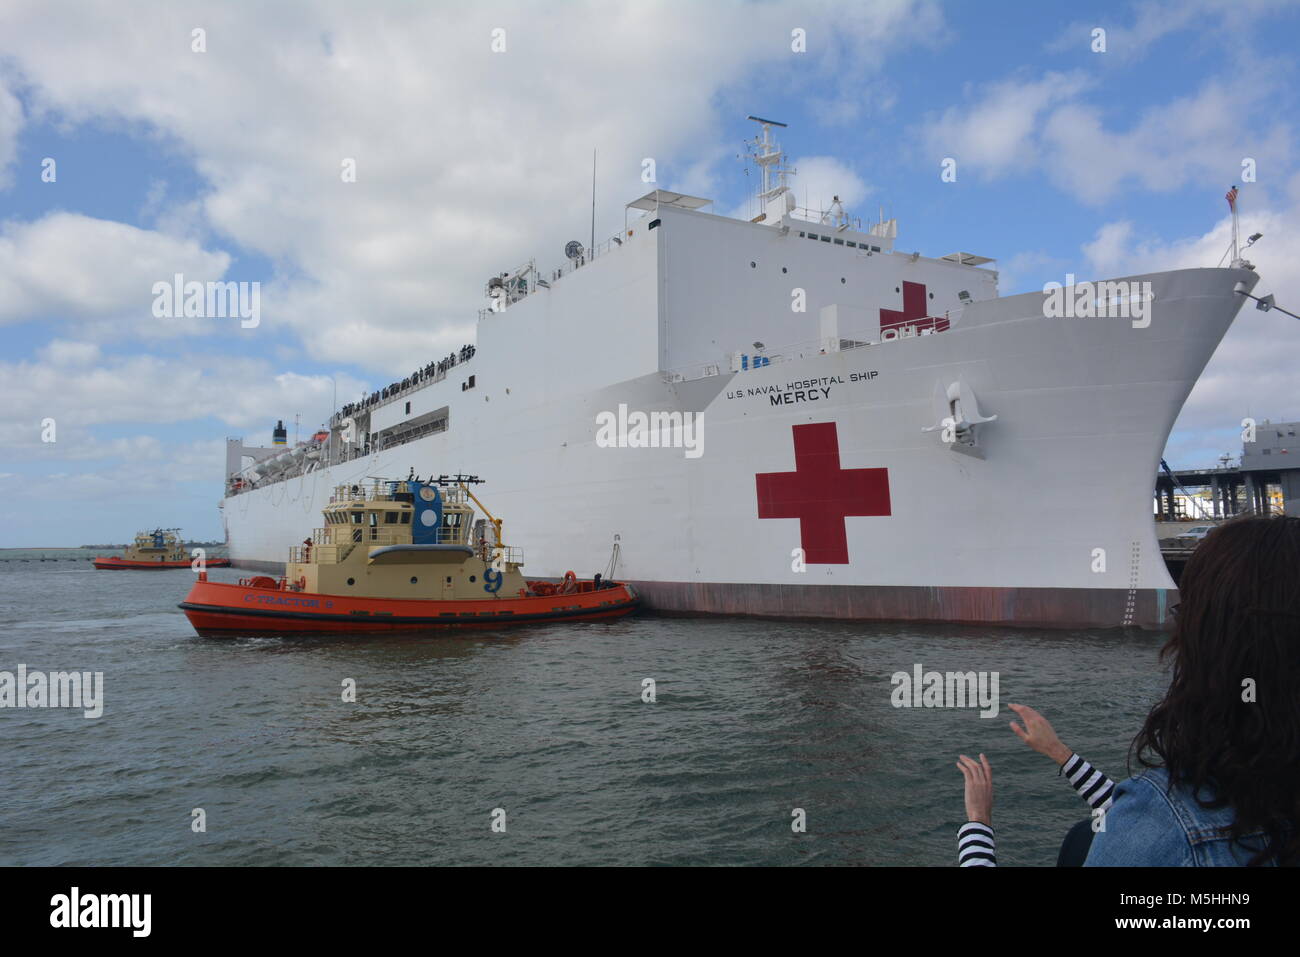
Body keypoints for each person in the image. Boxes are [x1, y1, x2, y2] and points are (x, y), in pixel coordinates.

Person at [957, 515, 1300, 867]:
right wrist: (1060, 753)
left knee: (1083, 838)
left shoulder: (1168, 826)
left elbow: (1158, 825)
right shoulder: (1269, 783)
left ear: (1212, 650)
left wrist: (979, 822)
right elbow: (1141, 817)